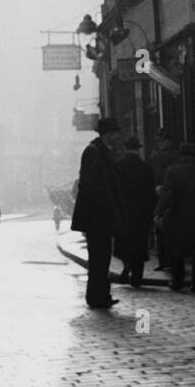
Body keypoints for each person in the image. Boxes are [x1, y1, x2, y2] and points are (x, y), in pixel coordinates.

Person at [70, 117, 125, 309]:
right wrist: (105, 208)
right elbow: (92, 184)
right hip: (98, 217)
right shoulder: (94, 151)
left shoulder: (101, 151)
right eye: (117, 133)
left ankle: (101, 294)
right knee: (99, 257)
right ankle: (96, 296)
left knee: (102, 257)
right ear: (109, 134)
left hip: (101, 216)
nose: (119, 137)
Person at [156, 143, 195, 292]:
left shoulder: (172, 171)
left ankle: (178, 281)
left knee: (176, 251)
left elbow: (167, 194)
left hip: (178, 216)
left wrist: (158, 212)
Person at [115, 136, 157, 288]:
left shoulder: (118, 166)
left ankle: (127, 264)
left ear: (125, 149)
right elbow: (150, 193)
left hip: (124, 212)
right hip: (141, 214)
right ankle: (137, 278)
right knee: (139, 244)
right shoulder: (145, 167)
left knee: (124, 242)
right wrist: (151, 212)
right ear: (138, 149)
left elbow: (114, 190)